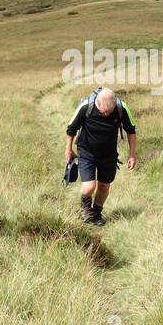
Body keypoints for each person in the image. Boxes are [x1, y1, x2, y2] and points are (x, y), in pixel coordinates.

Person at [65, 87, 136, 226]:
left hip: (109, 155)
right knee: (88, 187)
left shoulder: (121, 108)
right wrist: (68, 149)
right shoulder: (86, 106)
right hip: (86, 152)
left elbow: (131, 131)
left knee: (104, 186)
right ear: (98, 103)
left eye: (109, 113)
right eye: (104, 112)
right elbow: (71, 128)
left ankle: (96, 214)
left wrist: (132, 154)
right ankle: (85, 210)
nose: (106, 115)